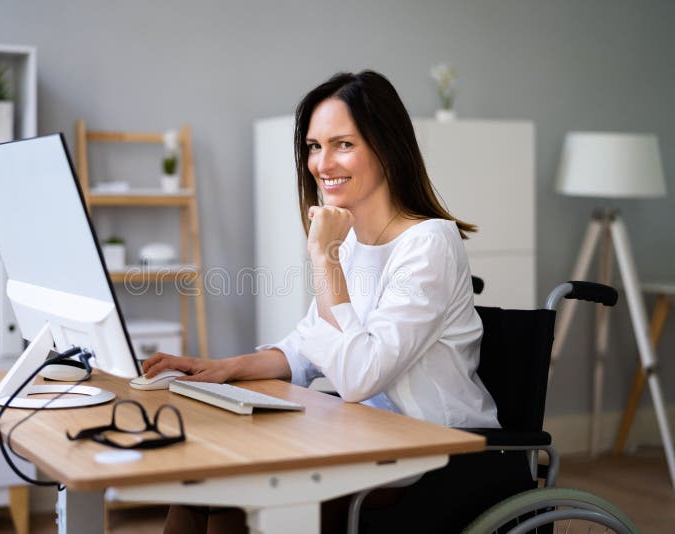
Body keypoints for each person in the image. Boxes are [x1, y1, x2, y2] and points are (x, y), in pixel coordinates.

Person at [144, 71, 532, 534]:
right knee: (199, 483)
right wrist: (224, 369)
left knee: (238, 502)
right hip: (367, 438)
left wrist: (323, 254)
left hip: (441, 457)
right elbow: (309, 344)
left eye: (342, 144)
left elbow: (356, 377)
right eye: (313, 146)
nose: (321, 162)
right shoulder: (348, 242)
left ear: (386, 147)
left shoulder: (428, 243)